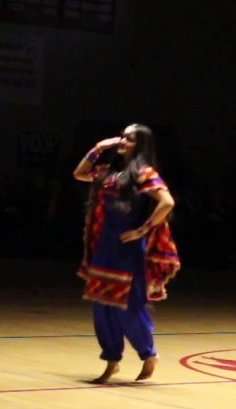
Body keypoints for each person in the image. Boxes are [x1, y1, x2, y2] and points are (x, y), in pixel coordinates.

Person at [74, 124, 179, 384]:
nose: (122, 141)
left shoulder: (144, 173)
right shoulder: (109, 172)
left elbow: (167, 202)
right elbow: (79, 173)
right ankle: (111, 360)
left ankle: (148, 354)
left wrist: (142, 230)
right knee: (101, 306)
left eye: (129, 138)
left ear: (140, 145)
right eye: (122, 136)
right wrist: (99, 147)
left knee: (128, 307)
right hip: (105, 247)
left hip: (128, 249)